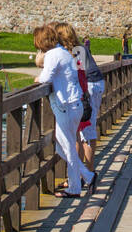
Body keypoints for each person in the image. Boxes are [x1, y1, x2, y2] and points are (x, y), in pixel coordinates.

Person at [34, 24, 93, 198]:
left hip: (66, 105)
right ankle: (88, 175)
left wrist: (37, 79)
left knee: (67, 147)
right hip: (74, 104)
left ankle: (75, 188)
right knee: (62, 145)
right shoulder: (63, 52)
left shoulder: (53, 54)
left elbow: (46, 77)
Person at [75, 33, 106, 176]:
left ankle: (87, 174)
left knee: (85, 131)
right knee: (88, 129)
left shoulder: (76, 50)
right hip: (96, 83)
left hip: (90, 85)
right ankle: (87, 171)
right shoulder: (81, 48)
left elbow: (79, 73)